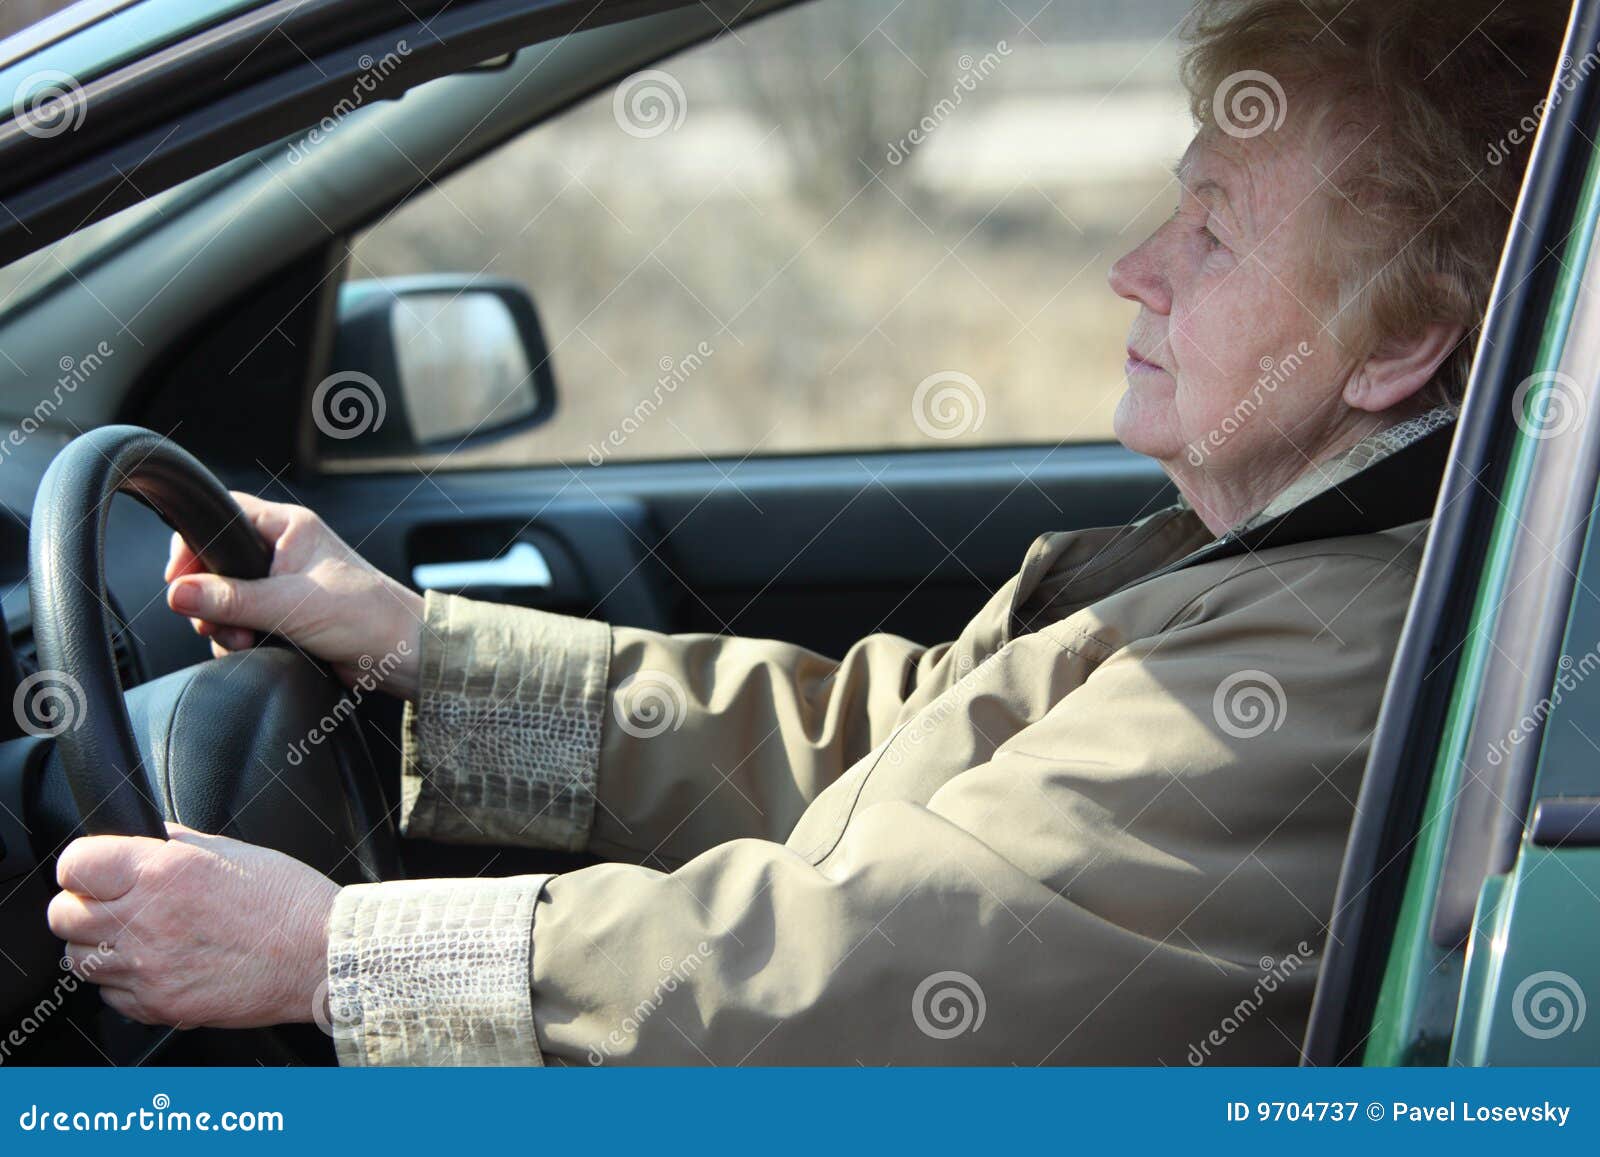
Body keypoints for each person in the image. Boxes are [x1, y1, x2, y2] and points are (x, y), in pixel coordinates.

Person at [46, 0, 1565, 1064]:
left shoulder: (1347, 656)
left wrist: (333, 958)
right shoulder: (1252, 557)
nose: (1130, 268)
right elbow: (865, 746)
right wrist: (409, 645)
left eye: (1216, 232)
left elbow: (880, 962)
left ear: (1397, 353)